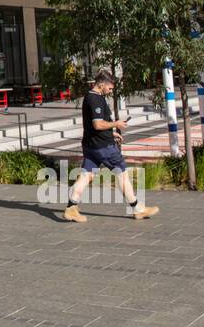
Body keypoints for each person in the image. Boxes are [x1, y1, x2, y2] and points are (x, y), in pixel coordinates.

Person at [62, 70, 159, 223]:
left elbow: (93, 125)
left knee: (86, 175)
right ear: (101, 84)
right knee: (122, 173)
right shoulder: (96, 100)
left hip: (91, 145)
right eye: (110, 88)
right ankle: (137, 209)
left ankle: (71, 208)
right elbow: (97, 124)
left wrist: (112, 132)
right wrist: (117, 124)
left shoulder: (90, 97)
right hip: (103, 147)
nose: (110, 91)